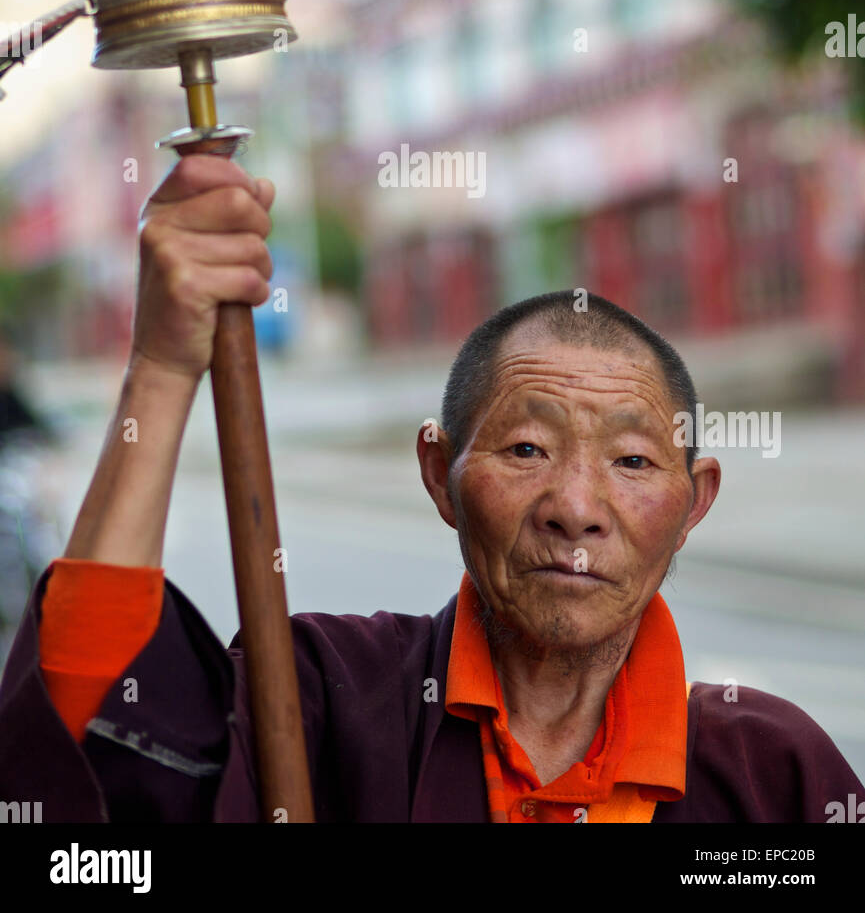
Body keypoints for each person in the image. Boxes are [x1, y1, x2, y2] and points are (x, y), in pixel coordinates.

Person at [0, 155, 861, 823]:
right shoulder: (326, 699)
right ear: (437, 476)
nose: (574, 506)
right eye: (525, 448)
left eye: (632, 462)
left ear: (694, 502)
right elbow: (81, 749)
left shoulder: (767, 773)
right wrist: (159, 364)